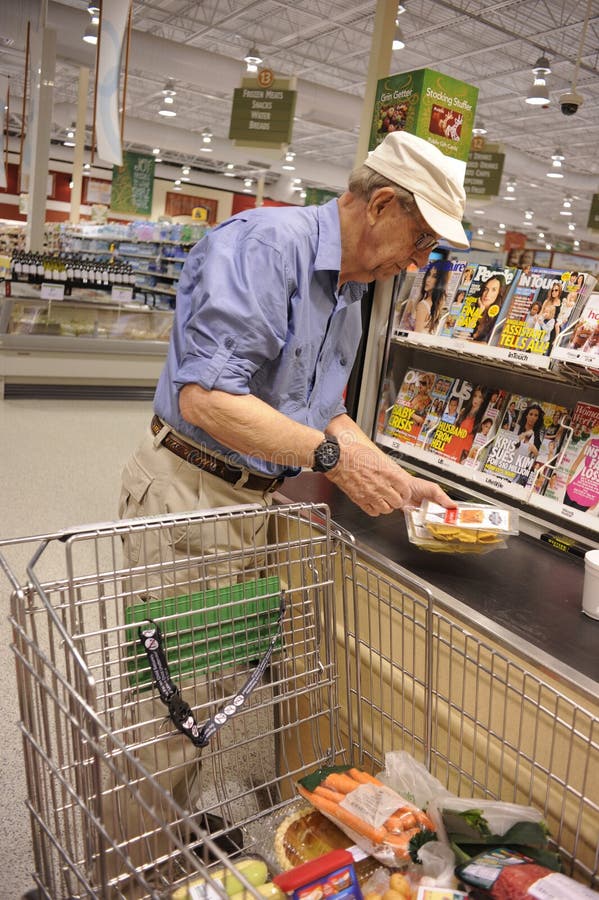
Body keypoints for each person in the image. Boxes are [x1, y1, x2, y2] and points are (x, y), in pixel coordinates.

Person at [114, 131, 468, 876]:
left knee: (211, 689)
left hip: (250, 500)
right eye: (420, 239)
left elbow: (322, 409)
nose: (417, 264)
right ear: (380, 205)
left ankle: (159, 830)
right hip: (191, 487)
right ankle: (125, 871)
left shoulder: (345, 289)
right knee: (168, 703)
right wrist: (331, 459)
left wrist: (391, 475)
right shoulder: (265, 246)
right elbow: (207, 399)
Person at [400, 260, 449, 334]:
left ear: (440, 281)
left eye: (434, 276)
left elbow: (416, 335)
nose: (428, 280)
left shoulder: (423, 305)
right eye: (428, 274)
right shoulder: (438, 303)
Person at [442, 385, 488, 462]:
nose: (476, 399)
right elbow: (454, 427)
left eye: (480, 397)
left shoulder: (481, 418)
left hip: (464, 449)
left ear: (482, 400)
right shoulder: (464, 411)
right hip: (452, 443)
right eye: (475, 396)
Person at [470, 273, 509, 343]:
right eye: (486, 289)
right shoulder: (471, 306)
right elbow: (462, 334)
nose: (487, 294)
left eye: (493, 290)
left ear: (499, 293)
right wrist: (479, 311)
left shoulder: (499, 317)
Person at [512, 403, 544, 486]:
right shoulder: (516, 428)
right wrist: (526, 433)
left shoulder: (537, 437)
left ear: (538, 418)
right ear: (526, 415)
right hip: (507, 465)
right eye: (531, 414)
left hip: (521, 473)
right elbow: (510, 443)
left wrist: (535, 451)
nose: (533, 417)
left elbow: (538, 457)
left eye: (536, 415)